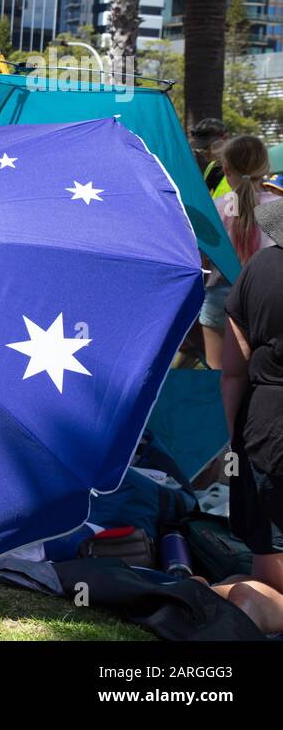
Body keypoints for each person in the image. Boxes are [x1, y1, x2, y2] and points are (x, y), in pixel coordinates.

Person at [213, 198, 283, 635]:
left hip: (264, 428)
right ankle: (245, 603)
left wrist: (237, 436)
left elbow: (232, 372)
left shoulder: (257, 269)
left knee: (270, 557)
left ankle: (220, 595)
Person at [201, 135, 279, 369]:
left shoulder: (214, 209)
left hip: (219, 295)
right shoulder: (279, 207)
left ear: (225, 169)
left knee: (217, 374)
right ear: (266, 168)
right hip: (269, 299)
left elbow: (202, 257)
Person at [191, 118, 231, 199]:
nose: (202, 152)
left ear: (225, 138)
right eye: (199, 148)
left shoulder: (243, 166)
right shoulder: (211, 166)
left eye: (206, 147)